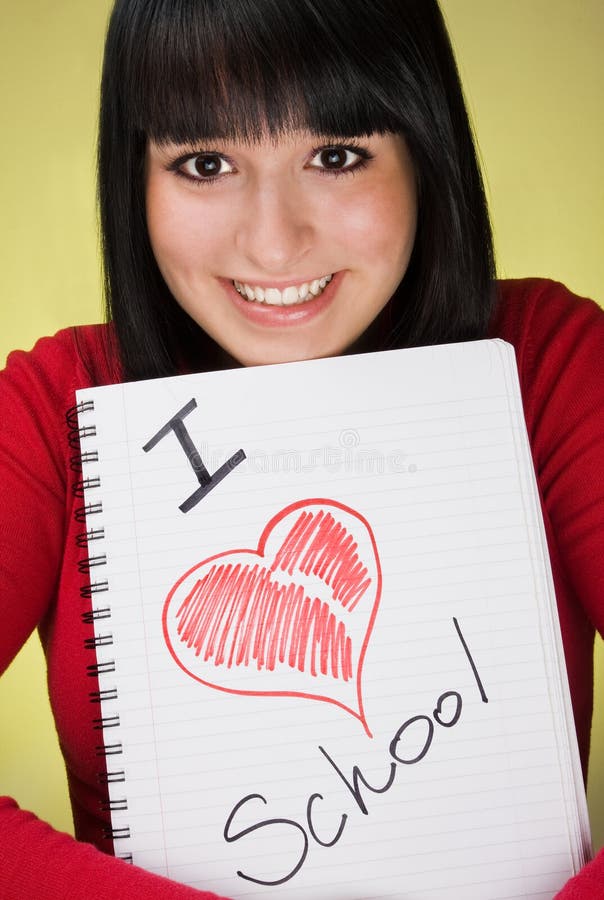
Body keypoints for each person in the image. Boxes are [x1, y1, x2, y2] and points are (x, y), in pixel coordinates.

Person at [1, 0, 602, 897]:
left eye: (336, 155)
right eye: (206, 164)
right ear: (135, 178)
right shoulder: (54, 407)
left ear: (425, 150)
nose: (275, 244)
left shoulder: (550, 363)